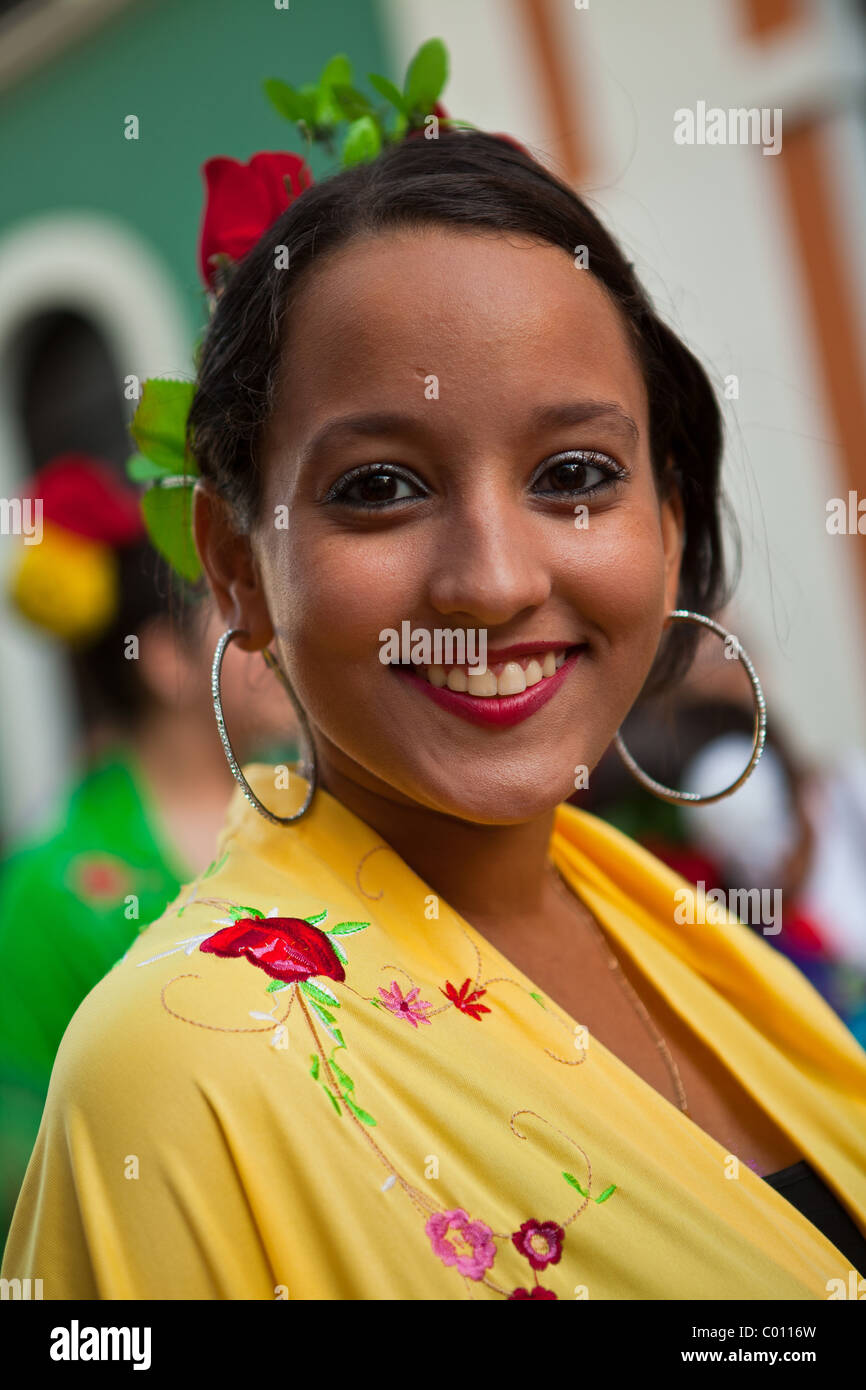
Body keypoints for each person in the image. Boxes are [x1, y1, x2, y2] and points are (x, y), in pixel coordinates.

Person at [4, 84, 866, 1300]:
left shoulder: (672, 930)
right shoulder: (178, 1075)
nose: (494, 581)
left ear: (667, 523)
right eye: (377, 489)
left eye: (573, 473)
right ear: (238, 564)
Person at [0, 454, 296, 1245]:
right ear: (165, 660)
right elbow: (31, 1177)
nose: (276, 633)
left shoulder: (329, 808)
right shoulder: (51, 889)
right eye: (239, 608)